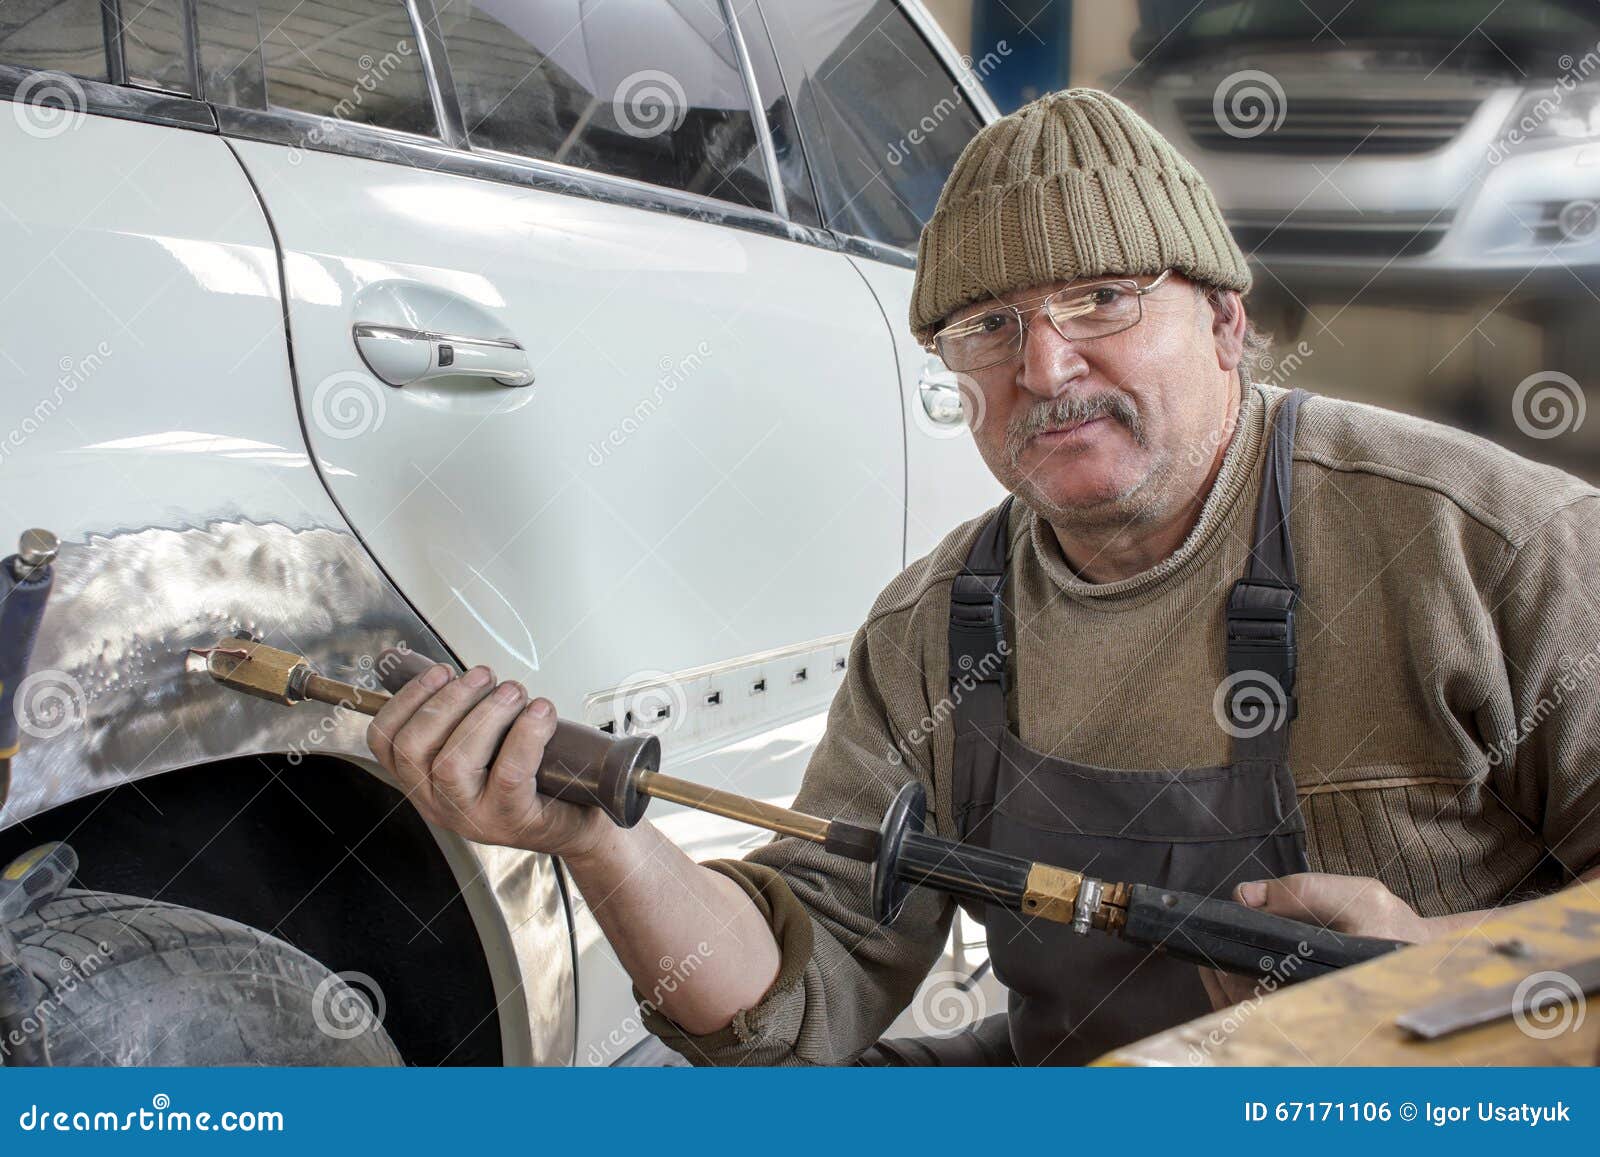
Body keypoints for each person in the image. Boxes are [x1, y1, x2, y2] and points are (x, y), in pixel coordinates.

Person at [365, 89, 1600, 1066]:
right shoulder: (934, 631)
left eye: (1102, 297)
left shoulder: (1484, 544)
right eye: (987, 328)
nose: (1046, 364)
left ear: (1226, 322)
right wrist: (598, 840)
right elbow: (797, 1004)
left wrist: (1447, 966)